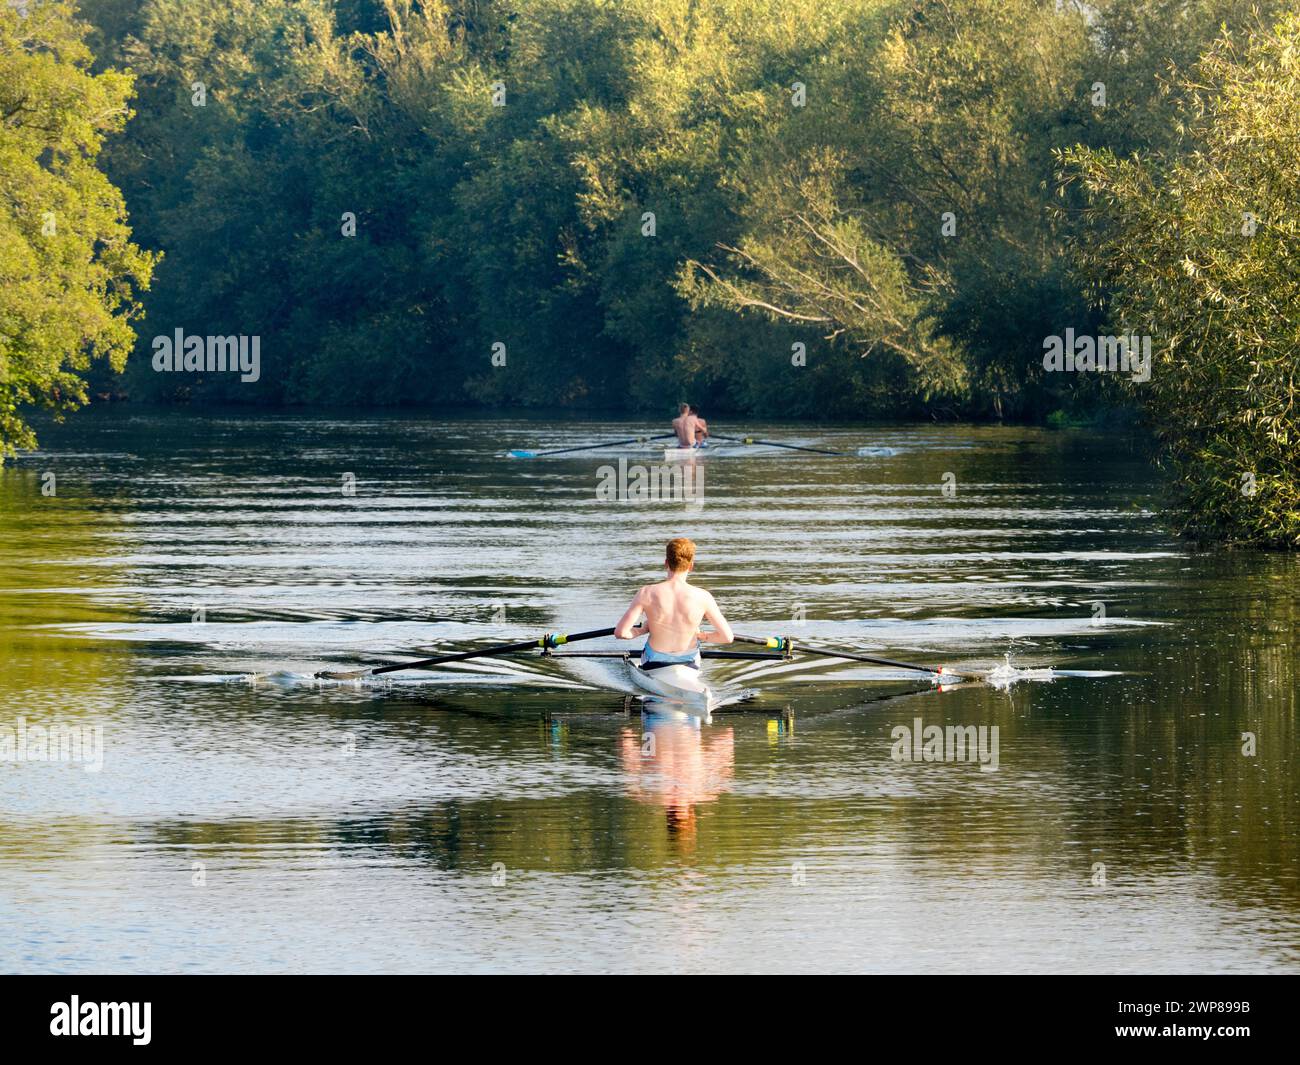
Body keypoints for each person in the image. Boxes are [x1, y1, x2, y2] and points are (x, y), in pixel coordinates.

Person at [614, 538, 734, 671]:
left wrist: (643, 629)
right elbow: (727, 637)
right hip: (689, 662)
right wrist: (700, 635)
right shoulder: (703, 596)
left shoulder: (646, 593)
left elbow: (621, 633)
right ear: (691, 566)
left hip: (654, 661)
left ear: (666, 563)